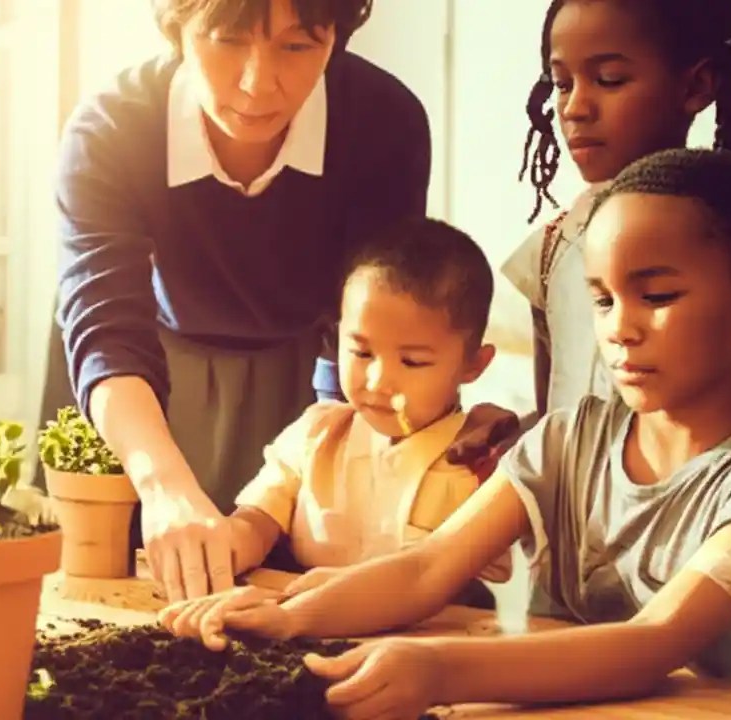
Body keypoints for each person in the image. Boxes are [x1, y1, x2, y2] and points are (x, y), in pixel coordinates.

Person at [161, 148, 731, 717]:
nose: (620, 328)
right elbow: (429, 567)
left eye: (657, 296)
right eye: (601, 300)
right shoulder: (569, 441)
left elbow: (657, 639)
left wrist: (441, 669)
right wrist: (290, 615)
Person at [48, 0, 516, 602]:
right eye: (226, 39)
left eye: (297, 46)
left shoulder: (383, 120)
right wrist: (164, 485)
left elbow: (372, 314)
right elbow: (108, 331)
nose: (257, 83)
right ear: (177, 24)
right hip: (146, 385)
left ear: (337, 35)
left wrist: (349, 453)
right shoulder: (111, 129)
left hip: (317, 372)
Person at [226, 218, 511, 606]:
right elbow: (255, 522)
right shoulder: (317, 433)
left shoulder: (482, 460)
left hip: (432, 634)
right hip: (297, 619)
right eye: (361, 352)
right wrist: (224, 545)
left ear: (473, 364)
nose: (378, 381)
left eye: (412, 361)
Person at [501, 0, 731, 422]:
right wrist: (514, 433)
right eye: (562, 84)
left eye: (609, 79)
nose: (574, 108)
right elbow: (558, 420)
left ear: (696, 86)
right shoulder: (552, 247)